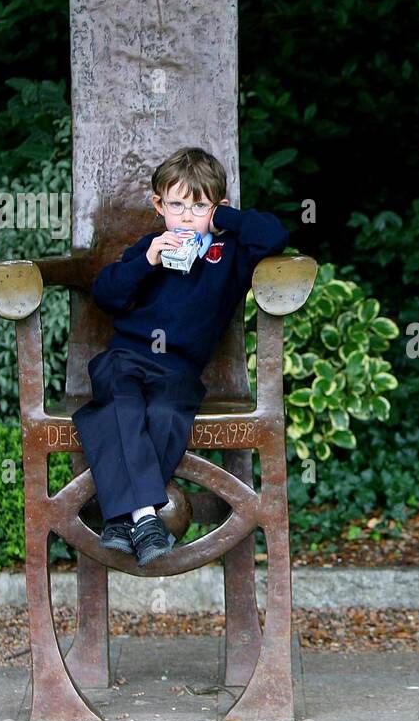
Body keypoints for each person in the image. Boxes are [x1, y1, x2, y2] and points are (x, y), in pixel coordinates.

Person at [73, 147, 290, 565]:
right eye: (176, 205)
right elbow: (107, 294)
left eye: (199, 206)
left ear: (218, 207)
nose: (187, 216)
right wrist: (149, 259)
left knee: (167, 415)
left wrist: (220, 220)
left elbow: (273, 234)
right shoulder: (147, 249)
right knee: (119, 401)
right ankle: (145, 517)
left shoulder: (230, 255)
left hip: (179, 368)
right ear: (158, 206)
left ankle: (121, 519)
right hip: (126, 357)